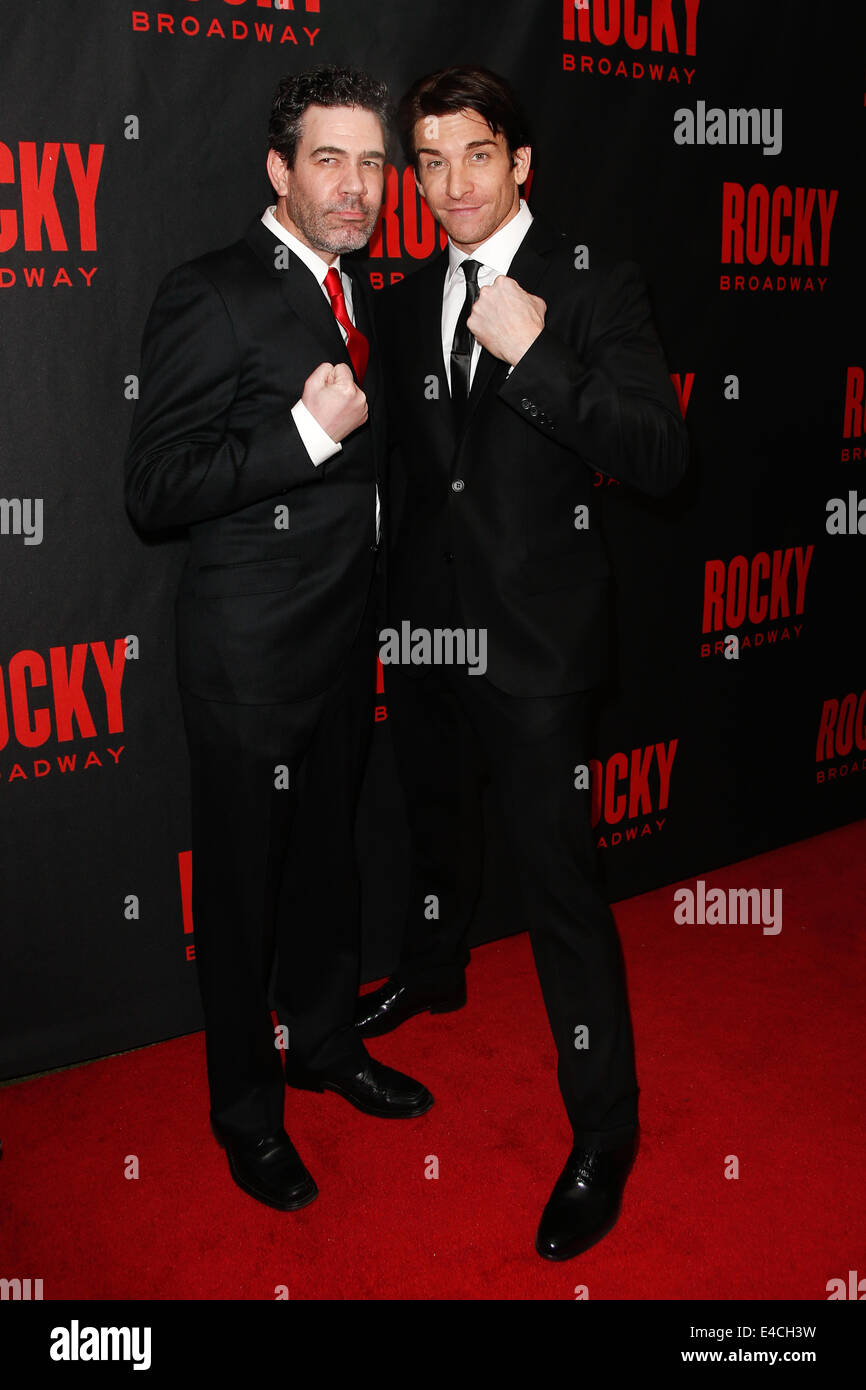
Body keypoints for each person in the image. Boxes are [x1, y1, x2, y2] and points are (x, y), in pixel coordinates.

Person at [358, 65, 688, 1259]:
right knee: (436, 819)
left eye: (476, 157)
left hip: (539, 648)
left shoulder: (593, 284)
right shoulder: (398, 303)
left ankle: (602, 1129)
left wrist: (540, 358)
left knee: (558, 890)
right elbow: (404, 474)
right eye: (430, 160)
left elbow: (657, 452)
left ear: (522, 163)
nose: (451, 186)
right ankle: (433, 971)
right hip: (427, 633)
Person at [124, 65, 433, 1215]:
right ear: (277, 169)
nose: (356, 189)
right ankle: (245, 1114)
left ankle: (324, 1045)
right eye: (328, 161)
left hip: (342, 644)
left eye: (370, 164)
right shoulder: (210, 292)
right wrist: (304, 432)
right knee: (244, 892)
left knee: (325, 871)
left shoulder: (354, 289)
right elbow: (154, 488)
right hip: (247, 662)